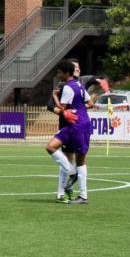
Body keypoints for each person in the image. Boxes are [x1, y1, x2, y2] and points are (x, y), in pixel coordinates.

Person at [45, 60, 94, 204]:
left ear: (67, 73)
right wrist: (78, 108)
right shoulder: (79, 85)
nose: (58, 75)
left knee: (80, 160)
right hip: (73, 125)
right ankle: (72, 172)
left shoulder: (67, 88)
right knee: (50, 147)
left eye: (59, 72)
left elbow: (63, 109)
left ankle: (83, 196)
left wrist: (55, 97)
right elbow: (90, 103)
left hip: (79, 126)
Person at [46, 58, 81, 199]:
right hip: (66, 127)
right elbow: (49, 105)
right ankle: (62, 193)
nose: (77, 69)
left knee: (79, 160)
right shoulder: (62, 85)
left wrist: (102, 79)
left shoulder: (80, 85)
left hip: (79, 127)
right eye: (75, 67)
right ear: (69, 71)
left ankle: (72, 192)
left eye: (78, 67)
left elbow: (93, 81)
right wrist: (63, 112)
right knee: (67, 159)